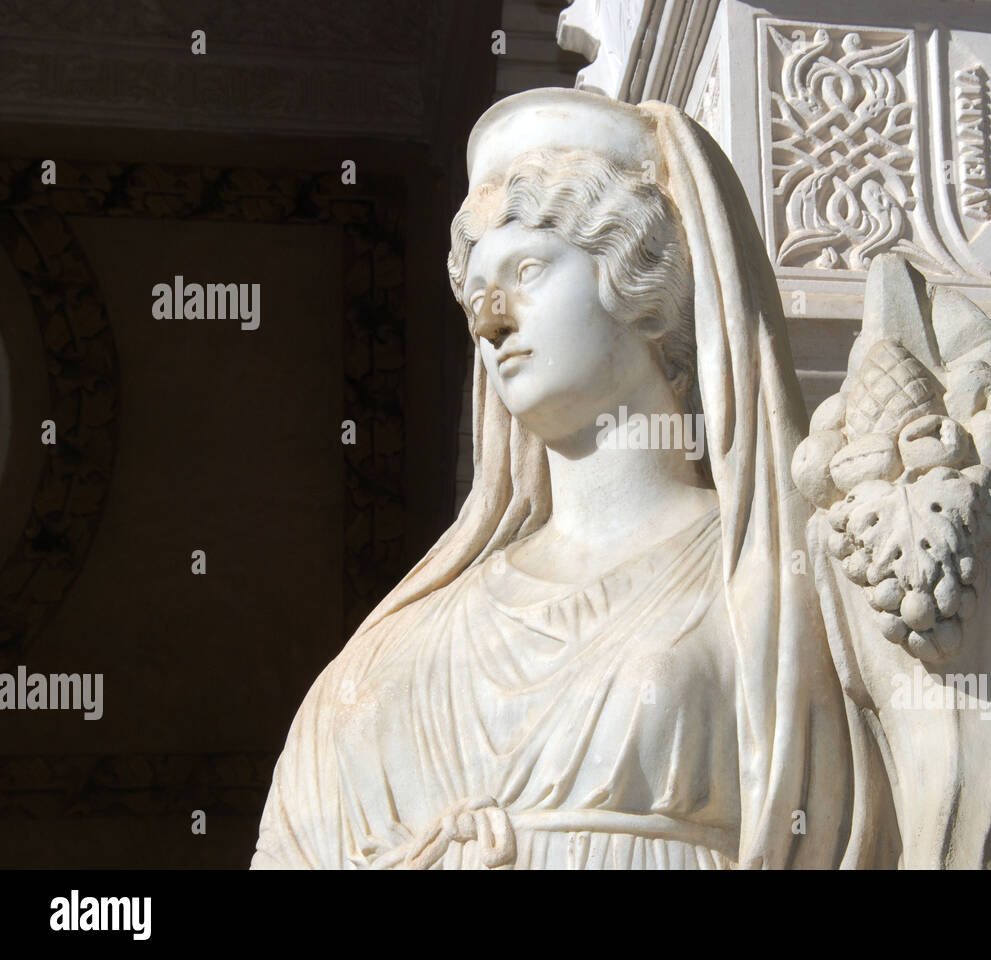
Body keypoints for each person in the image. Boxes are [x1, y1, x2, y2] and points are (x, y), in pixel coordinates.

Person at [251, 88, 890, 870]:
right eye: (475, 293)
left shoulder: (785, 577)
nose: (489, 320)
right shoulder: (399, 645)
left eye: (527, 269)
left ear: (645, 283)